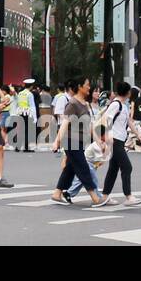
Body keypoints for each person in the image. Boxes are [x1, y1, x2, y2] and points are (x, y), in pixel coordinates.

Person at [50, 77, 108, 207]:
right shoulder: (73, 104)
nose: (89, 87)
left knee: (70, 169)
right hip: (71, 141)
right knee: (83, 168)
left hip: (79, 142)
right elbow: (64, 124)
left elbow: (90, 125)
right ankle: (95, 198)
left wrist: (99, 141)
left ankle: (57, 193)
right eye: (87, 85)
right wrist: (57, 141)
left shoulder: (84, 104)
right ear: (80, 87)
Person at [99, 82, 141, 206]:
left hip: (119, 139)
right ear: (128, 92)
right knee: (127, 167)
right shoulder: (116, 104)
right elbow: (106, 120)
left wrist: (138, 134)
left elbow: (129, 121)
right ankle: (129, 196)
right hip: (114, 140)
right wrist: (108, 137)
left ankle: (104, 196)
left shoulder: (124, 106)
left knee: (113, 169)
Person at [13, 79, 37, 152]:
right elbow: (32, 106)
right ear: (31, 86)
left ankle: (18, 147)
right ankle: (26, 148)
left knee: (20, 130)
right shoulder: (30, 94)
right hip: (27, 114)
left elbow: (17, 103)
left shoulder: (20, 93)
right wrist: (35, 117)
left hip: (20, 113)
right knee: (27, 130)